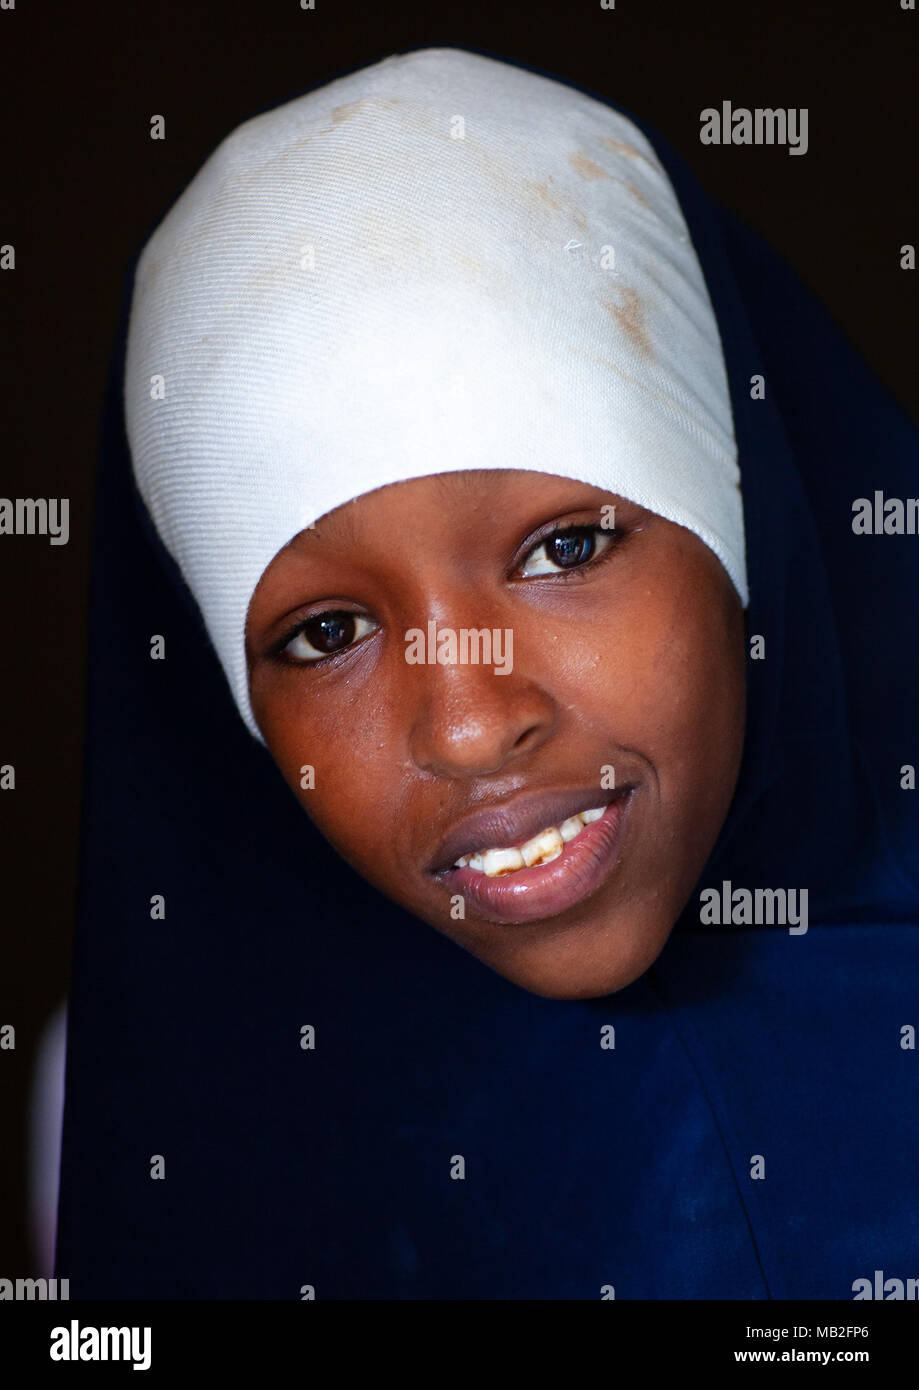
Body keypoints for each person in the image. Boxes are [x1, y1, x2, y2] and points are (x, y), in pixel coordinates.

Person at [57, 46, 919, 1299]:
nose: (466, 721)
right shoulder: (221, 1130)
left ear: (743, 515)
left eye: (564, 549)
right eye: (325, 633)